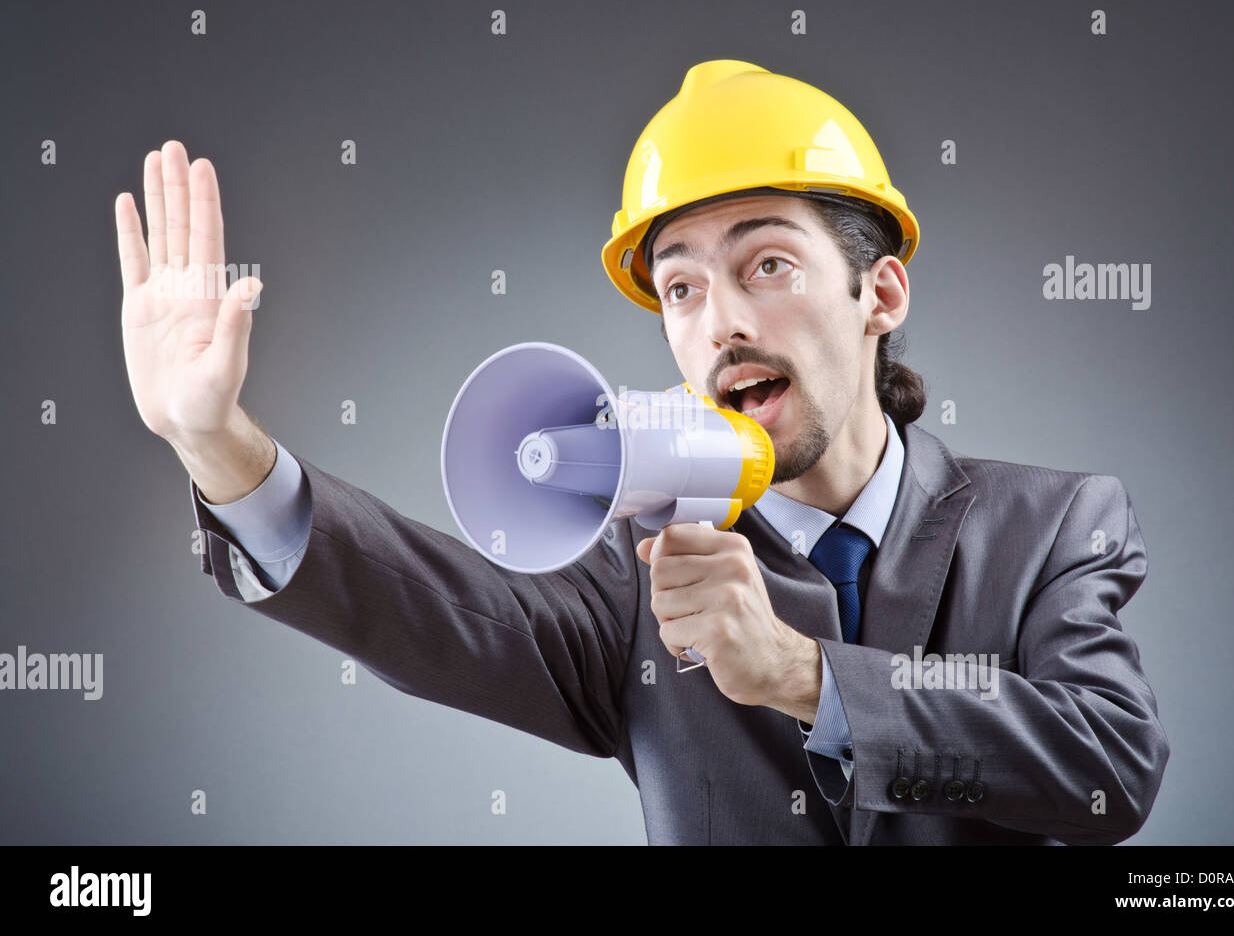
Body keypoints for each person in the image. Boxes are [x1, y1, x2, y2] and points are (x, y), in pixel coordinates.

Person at [114, 59, 1170, 845]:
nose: (720, 326)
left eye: (765, 263)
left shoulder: (1050, 526)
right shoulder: (644, 567)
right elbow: (433, 610)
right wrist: (221, 449)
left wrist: (805, 677)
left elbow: (1107, 769)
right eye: (680, 286)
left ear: (878, 291)